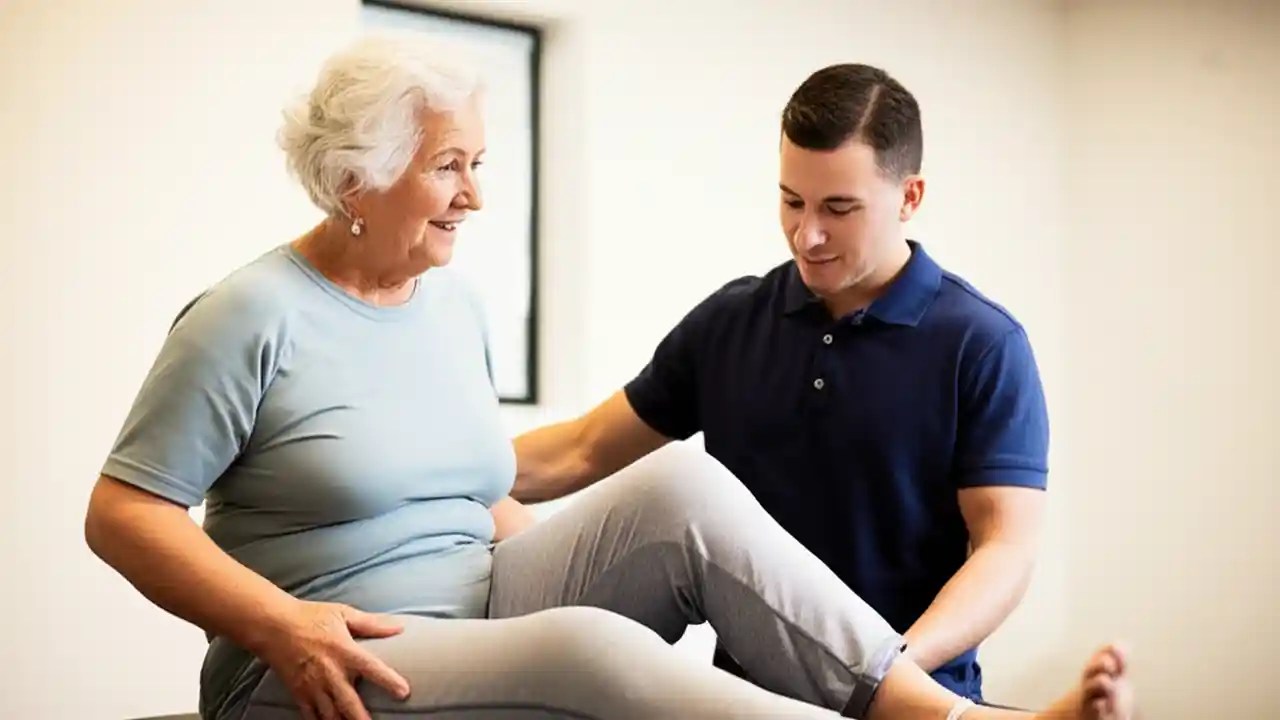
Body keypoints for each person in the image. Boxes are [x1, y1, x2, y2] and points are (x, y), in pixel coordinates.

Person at [84, 34, 1133, 720]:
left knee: (680, 486)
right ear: (361, 176)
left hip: (476, 604)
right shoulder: (250, 316)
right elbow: (123, 514)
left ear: (907, 198)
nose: (473, 195)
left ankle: (934, 713)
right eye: (449, 166)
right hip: (324, 650)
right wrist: (276, 623)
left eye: (478, 164)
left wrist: (579, 558)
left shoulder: (450, 308)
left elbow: (474, 488)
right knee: (582, 650)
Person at [511, 63, 1049, 704]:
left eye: (838, 209)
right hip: (749, 703)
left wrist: (892, 675)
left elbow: (1005, 549)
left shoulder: (982, 344)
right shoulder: (731, 322)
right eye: (792, 201)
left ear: (910, 197)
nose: (807, 234)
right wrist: (435, 473)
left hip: (919, 696)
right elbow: (581, 450)